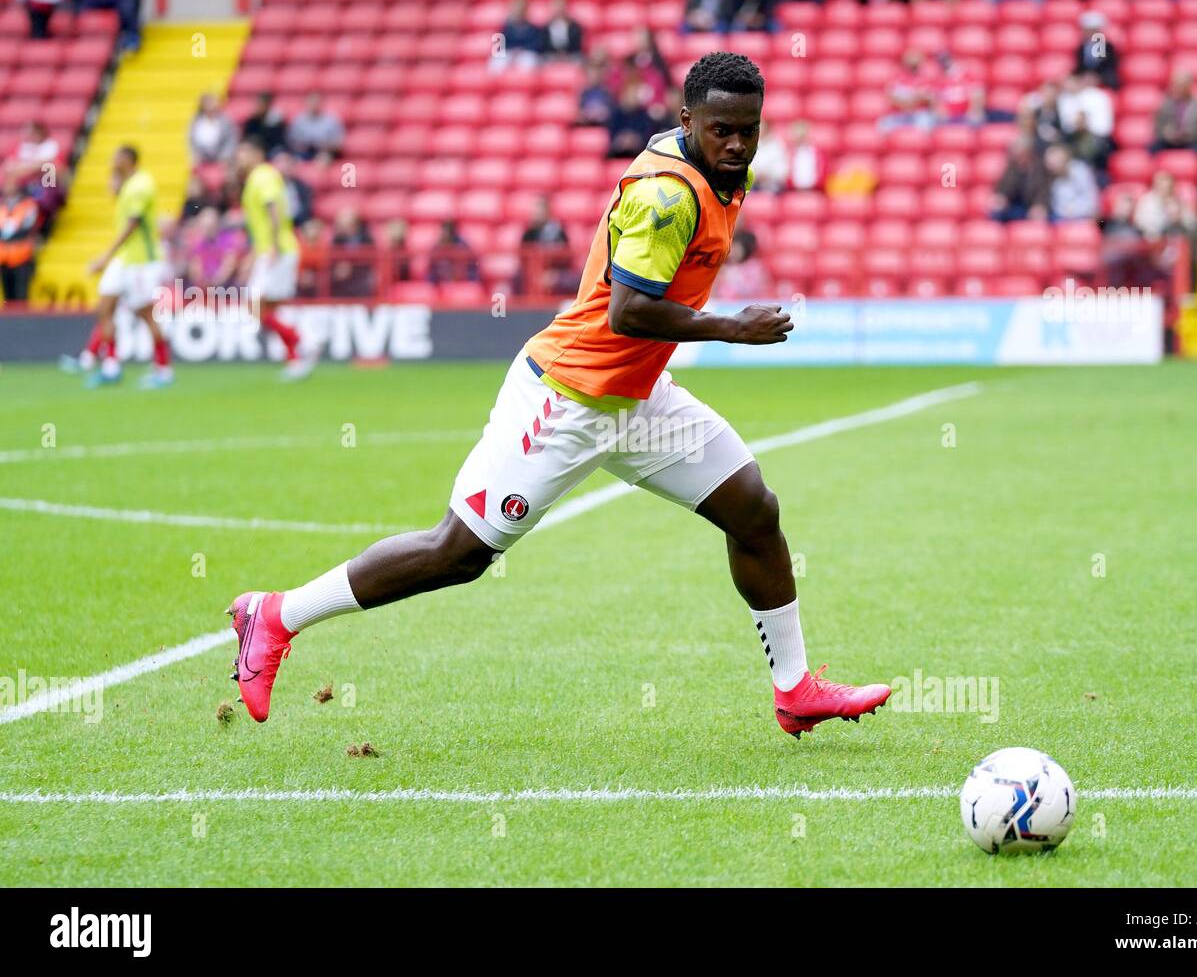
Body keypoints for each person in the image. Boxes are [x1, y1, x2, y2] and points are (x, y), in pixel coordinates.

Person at [225, 52, 892, 737]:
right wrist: (731, 327)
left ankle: (795, 688)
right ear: (687, 119)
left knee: (752, 509)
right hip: (568, 398)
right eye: (723, 129)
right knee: (459, 551)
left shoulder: (724, 168)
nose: (738, 144)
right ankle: (275, 614)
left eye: (750, 130)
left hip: (636, 397)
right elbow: (626, 312)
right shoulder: (668, 196)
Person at [65, 146, 173, 388]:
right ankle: (111, 367)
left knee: (145, 314)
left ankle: (164, 369)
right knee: (104, 307)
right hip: (125, 259)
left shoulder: (140, 185)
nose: (112, 161)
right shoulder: (129, 184)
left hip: (142, 261)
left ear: (128, 160)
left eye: (116, 158)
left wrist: (105, 256)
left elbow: (132, 225)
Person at [234, 135, 314, 380]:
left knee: (253, 305)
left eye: (244, 152)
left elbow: (273, 210)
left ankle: (302, 341)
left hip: (278, 250)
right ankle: (295, 358)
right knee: (269, 307)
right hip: (272, 249)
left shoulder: (263, 176)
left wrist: (275, 246)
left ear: (257, 154)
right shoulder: (256, 179)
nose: (239, 157)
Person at [990, 136, 1050, 222]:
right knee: (996, 213)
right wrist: (1001, 197)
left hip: (1031, 205)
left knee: (1041, 217)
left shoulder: (1039, 167)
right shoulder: (1011, 166)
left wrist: (1039, 205)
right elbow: (1003, 187)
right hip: (1013, 206)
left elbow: (1043, 189)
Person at [0, 176, 40, 302]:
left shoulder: (28, 204)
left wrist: (8, 231)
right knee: (8, 296)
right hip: (3, 258)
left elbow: (27, 227)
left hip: (22, 256)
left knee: (21, 294)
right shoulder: (2, 207)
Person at [1153, 71, 1197, 159]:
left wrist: (1187, 134)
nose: (1179, 88)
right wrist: (1167, 134)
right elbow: (1158, 127)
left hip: (1190, 142)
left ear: (1189, 86)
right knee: (1153, 148)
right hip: (1169, 141)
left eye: (1182, 85)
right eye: (1177, 85)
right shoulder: (1165, 104)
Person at [1044, 143, 1099, 222]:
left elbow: (1091, 200)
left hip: (1085, 216)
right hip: (1062, 218)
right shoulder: (1051, 178)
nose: (1050, 167)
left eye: (1053, 163)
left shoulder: (1080, 171)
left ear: (1063, 159)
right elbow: (1056, 205)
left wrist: (1074, 210)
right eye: (1048, 163)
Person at [287, 91, 345, 164]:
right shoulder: (298, 120)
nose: (314, 105)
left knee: (323, 159)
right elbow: (291, 141)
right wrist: (302, 146)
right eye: (311, 102)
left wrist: (325, 145)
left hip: (324, 152)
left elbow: (338, 143)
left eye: (316, 102)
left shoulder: (332, 120)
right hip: (303, 153)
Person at [189, 94, 238, 165]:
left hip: (221, 157)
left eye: (212, 101)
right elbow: (191, 140)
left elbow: (231, 139)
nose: (210, 105)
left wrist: (226, 156)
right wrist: (194, 155)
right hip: (202, 158)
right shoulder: (196, 121)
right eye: (207, 102)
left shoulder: (225, 120)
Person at [241, 92, 288, 157]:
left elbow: (278, 142)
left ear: (268, 105)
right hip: (254, 150)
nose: (258, 107)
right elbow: (247, 138)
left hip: (271, 151)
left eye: (261, 104)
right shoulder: (252, 121)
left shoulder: (277, 123)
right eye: (257, 104)